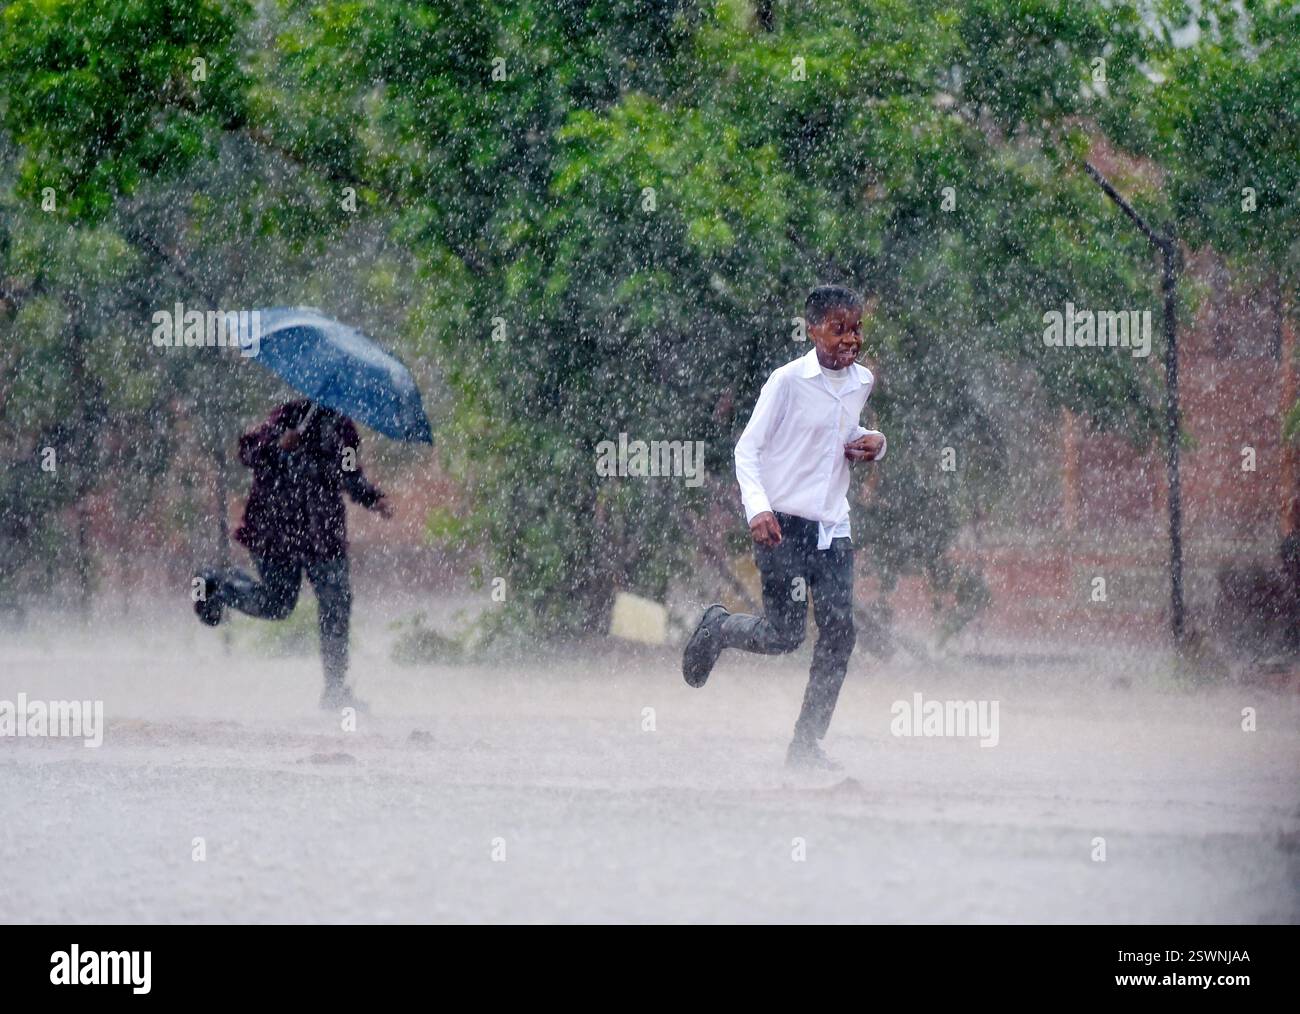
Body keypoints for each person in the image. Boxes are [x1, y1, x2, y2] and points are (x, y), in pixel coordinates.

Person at [682, 285, 887, 769]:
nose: (849, 339)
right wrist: (758, 509)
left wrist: (876, 444)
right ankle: (718, 627)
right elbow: (747, 450)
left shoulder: (862, 382)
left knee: (840, 633)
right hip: (782, 529)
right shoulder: (787, 382)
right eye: (838, 329)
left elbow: (846, 433)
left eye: (856, 328)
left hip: (832, 529)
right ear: (812, 329)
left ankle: (806, 745)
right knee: (784, 634)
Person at [193, 399, 393, 711]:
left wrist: (373, 498)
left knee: (336, 603)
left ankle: (336, 690)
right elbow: (248, 452)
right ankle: (216, 585)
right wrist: (278, 444)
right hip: (276, 531)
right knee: (277, 604)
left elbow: (350, 473)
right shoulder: (288, 416)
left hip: (322, 534)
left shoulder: (344, 431)